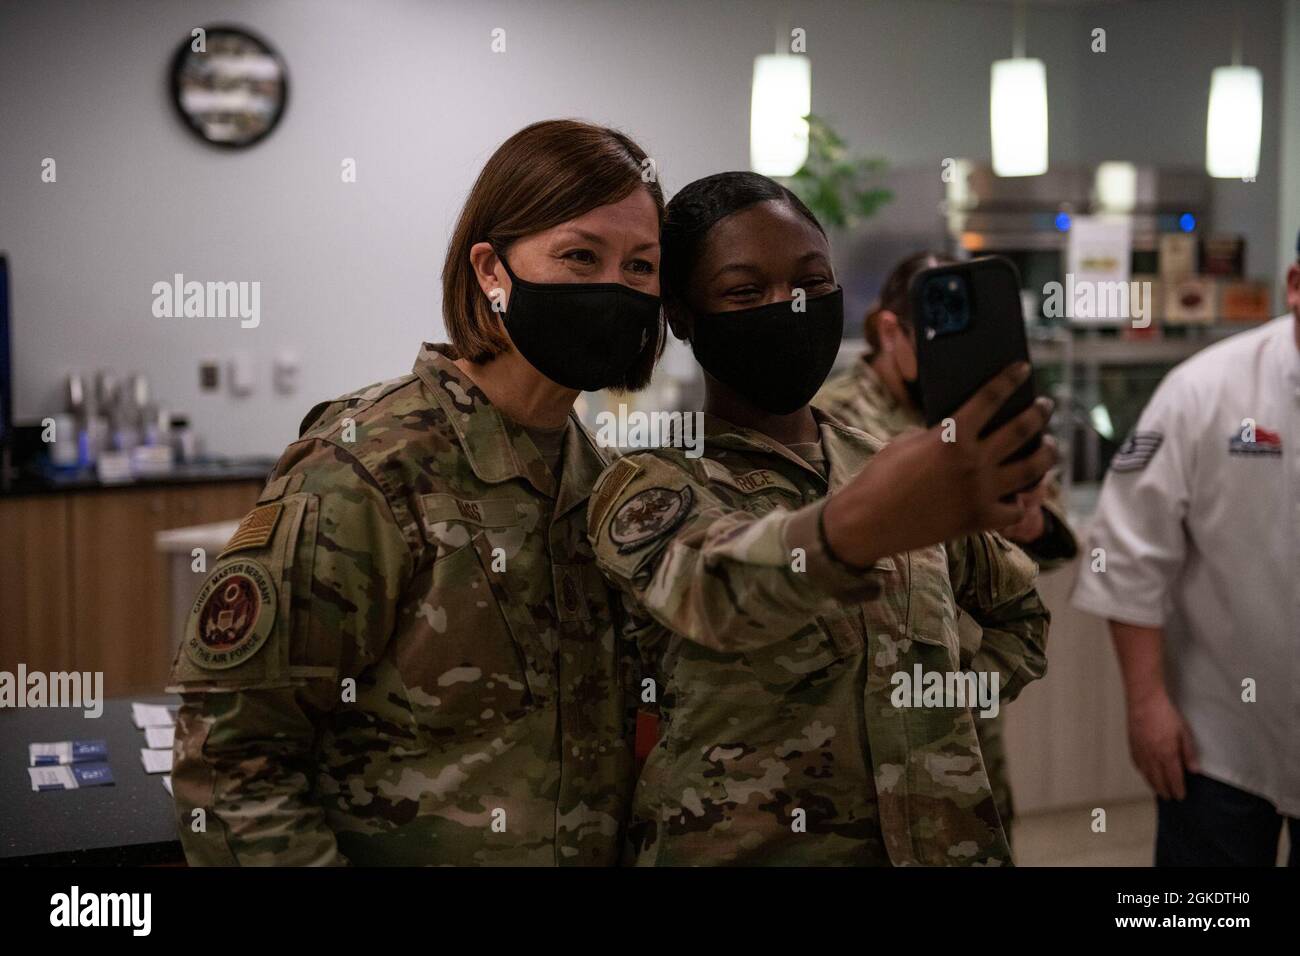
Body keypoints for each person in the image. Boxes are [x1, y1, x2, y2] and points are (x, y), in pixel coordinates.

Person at [168, 120, 665, 865]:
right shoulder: (366, 471)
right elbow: (231, 762)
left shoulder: (600, 484)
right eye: (580, 256)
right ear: (492, 270)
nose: (613, 289)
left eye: (640, 267)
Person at [587, 171, 1056, 865]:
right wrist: (855, 527)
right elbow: (713, 592)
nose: (791, 306)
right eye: (746, 291)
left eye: (812, 282)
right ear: (684, 316)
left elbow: (1018, 616)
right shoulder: (647, 481)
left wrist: (939, 701)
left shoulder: (893, 462)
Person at [816, 251, 1080, 837]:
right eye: (936, 331)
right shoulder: (826, 421)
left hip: (965, 706)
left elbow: (1058, 543)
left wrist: (1028, 525)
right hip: (859, 724)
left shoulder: (989, 416)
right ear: (889, 330)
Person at [1071, 233, 1300, 867]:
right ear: (1294, 286)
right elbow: (1128, 551)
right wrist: (1146, 703)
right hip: (1216, 737)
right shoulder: (1202, 391)